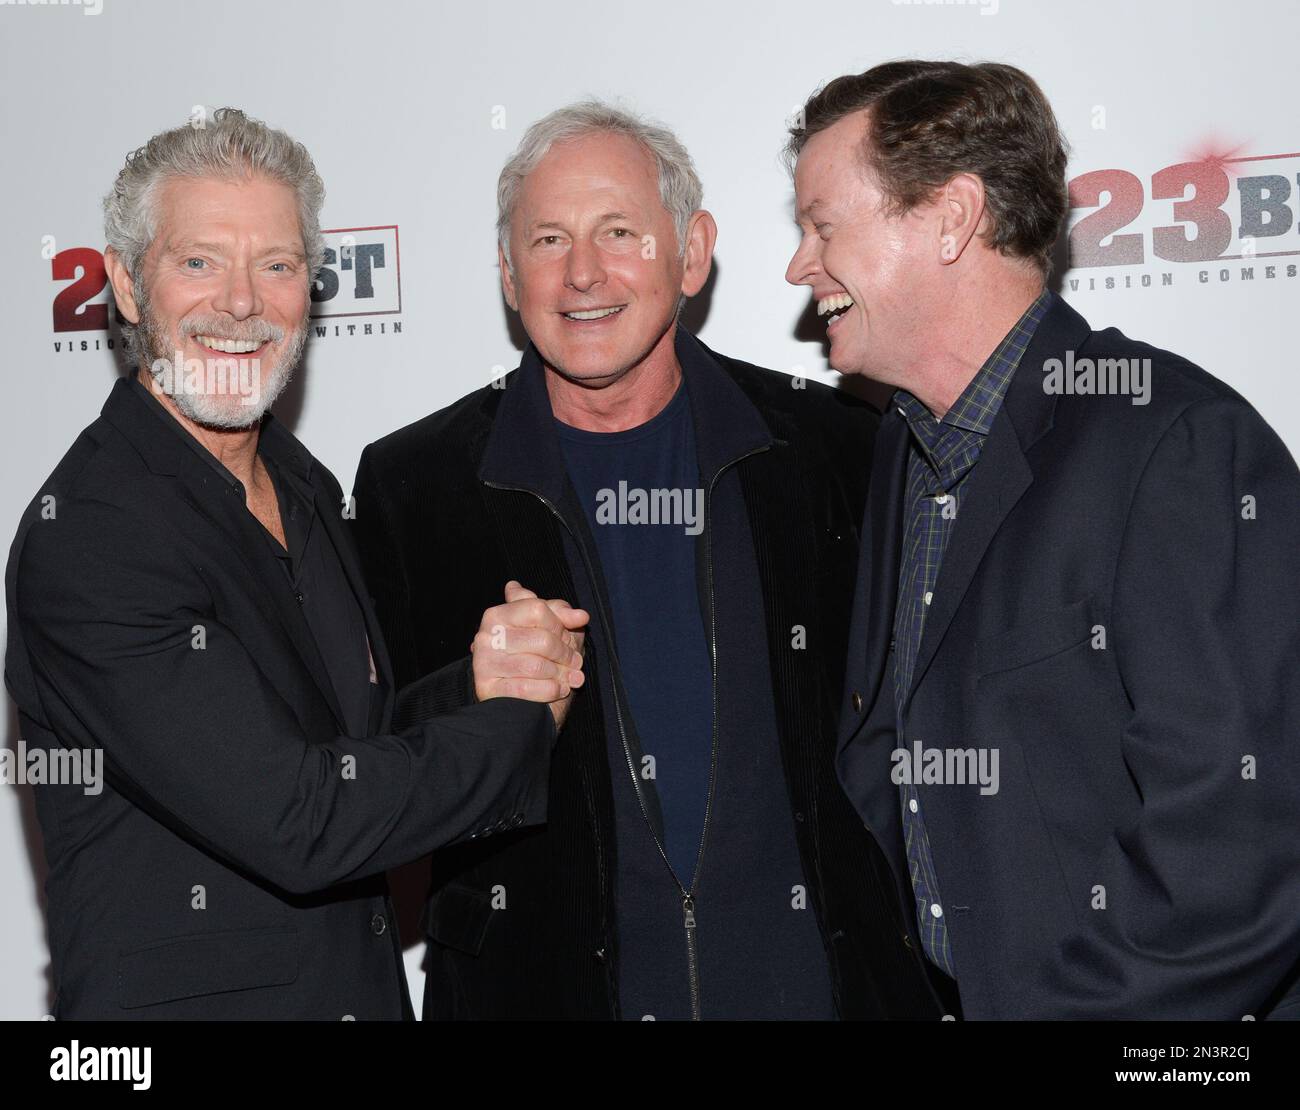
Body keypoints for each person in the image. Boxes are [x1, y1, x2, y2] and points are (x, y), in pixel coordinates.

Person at [351, 100, 939, 1020]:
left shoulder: (836, 450)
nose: (582, 273)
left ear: (692, 251)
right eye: (547, 241)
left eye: (619, 232)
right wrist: (472, 694)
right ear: (509, 275)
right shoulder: (414, 485)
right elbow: (361, 762)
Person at [4, 108, 586, 1020]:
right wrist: (516, 725)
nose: (241, 302)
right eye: (198, 262)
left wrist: (475, 688)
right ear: (123, 284)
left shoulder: (299, 480)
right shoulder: (91, 538)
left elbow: (333, 748)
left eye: (275, 265)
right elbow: (300, 819)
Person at [784, 60, 1300, 1019]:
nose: (799, 265)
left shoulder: (1174, 443)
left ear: (950, 217)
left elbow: (1240, 843)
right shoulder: (904, 451)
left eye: (823, 225)